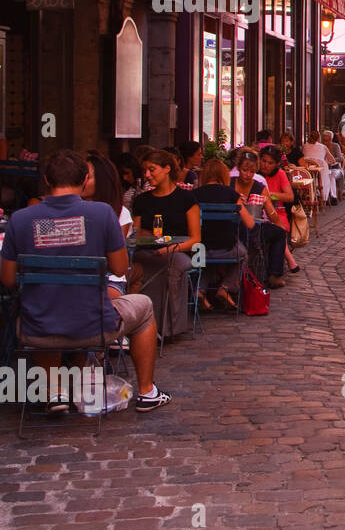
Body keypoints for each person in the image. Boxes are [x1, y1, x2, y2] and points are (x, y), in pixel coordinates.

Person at [0, 149, 170, 412]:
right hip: (92, 325)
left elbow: (8, 279)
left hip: (37, 329)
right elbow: (120, 268)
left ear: (46, 179)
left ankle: (55, 392)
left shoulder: (21, 218)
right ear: (83, 181)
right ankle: (148, 392)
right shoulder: (102, 214)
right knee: (145, 307)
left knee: (42, 304)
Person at [131, 150, 200, 341]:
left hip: (178, 251)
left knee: (172, 266)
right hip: (147, 251)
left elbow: (195, 238)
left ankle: (168, 327)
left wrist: (170, 248)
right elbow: (135, 234)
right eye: (145, 171)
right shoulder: (142, 201)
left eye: (151, 170)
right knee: (133, 268)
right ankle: (137, 324)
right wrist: (143, 234)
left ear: (167, 169)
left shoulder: (186, 199)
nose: (147, 175)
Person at [191, 158, 254, 312]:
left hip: (199, 250)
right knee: (244, 254)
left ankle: (199, 291)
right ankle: (225, 287)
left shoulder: (193, 195)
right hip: (227, 248)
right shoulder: (231, 194)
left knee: (205, 257)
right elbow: (250, 224)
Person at [231, 150, 288, 288]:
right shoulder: (229, 183)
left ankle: (274, 274)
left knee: (279, 233)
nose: (248, 174)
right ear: (238, 168)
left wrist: (279, 223)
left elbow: (270, 212)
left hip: (254, 228)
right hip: (231, 227)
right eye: (245, 170)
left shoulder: (259, 187)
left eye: (252, 171)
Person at [83, 153, 131, 295]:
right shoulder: (70, 210)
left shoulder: (120, 213)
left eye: (87, 177)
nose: (82, 182)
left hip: (108, 279)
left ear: (102, 181)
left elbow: (116, 264)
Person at [257, 146, 300, 274]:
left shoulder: (280, 174)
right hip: (259, 213)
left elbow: (289, 196)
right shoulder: (254, 174)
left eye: (270, 163)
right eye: (264, 161)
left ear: (276, 164)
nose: (265, 165)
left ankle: (286, 260)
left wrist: (271, 195)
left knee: (278, 226)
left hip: (277, 211)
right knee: (276, 227)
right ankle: (290, 259)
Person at [300, 131, 338, 206]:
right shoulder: (323, 147)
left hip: (308, 171)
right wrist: (324, 161)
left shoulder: (305, 146)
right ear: (319, 138)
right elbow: (332, 160)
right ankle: (324, 198)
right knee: (328, 176)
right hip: (320, 172)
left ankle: (308, 195)